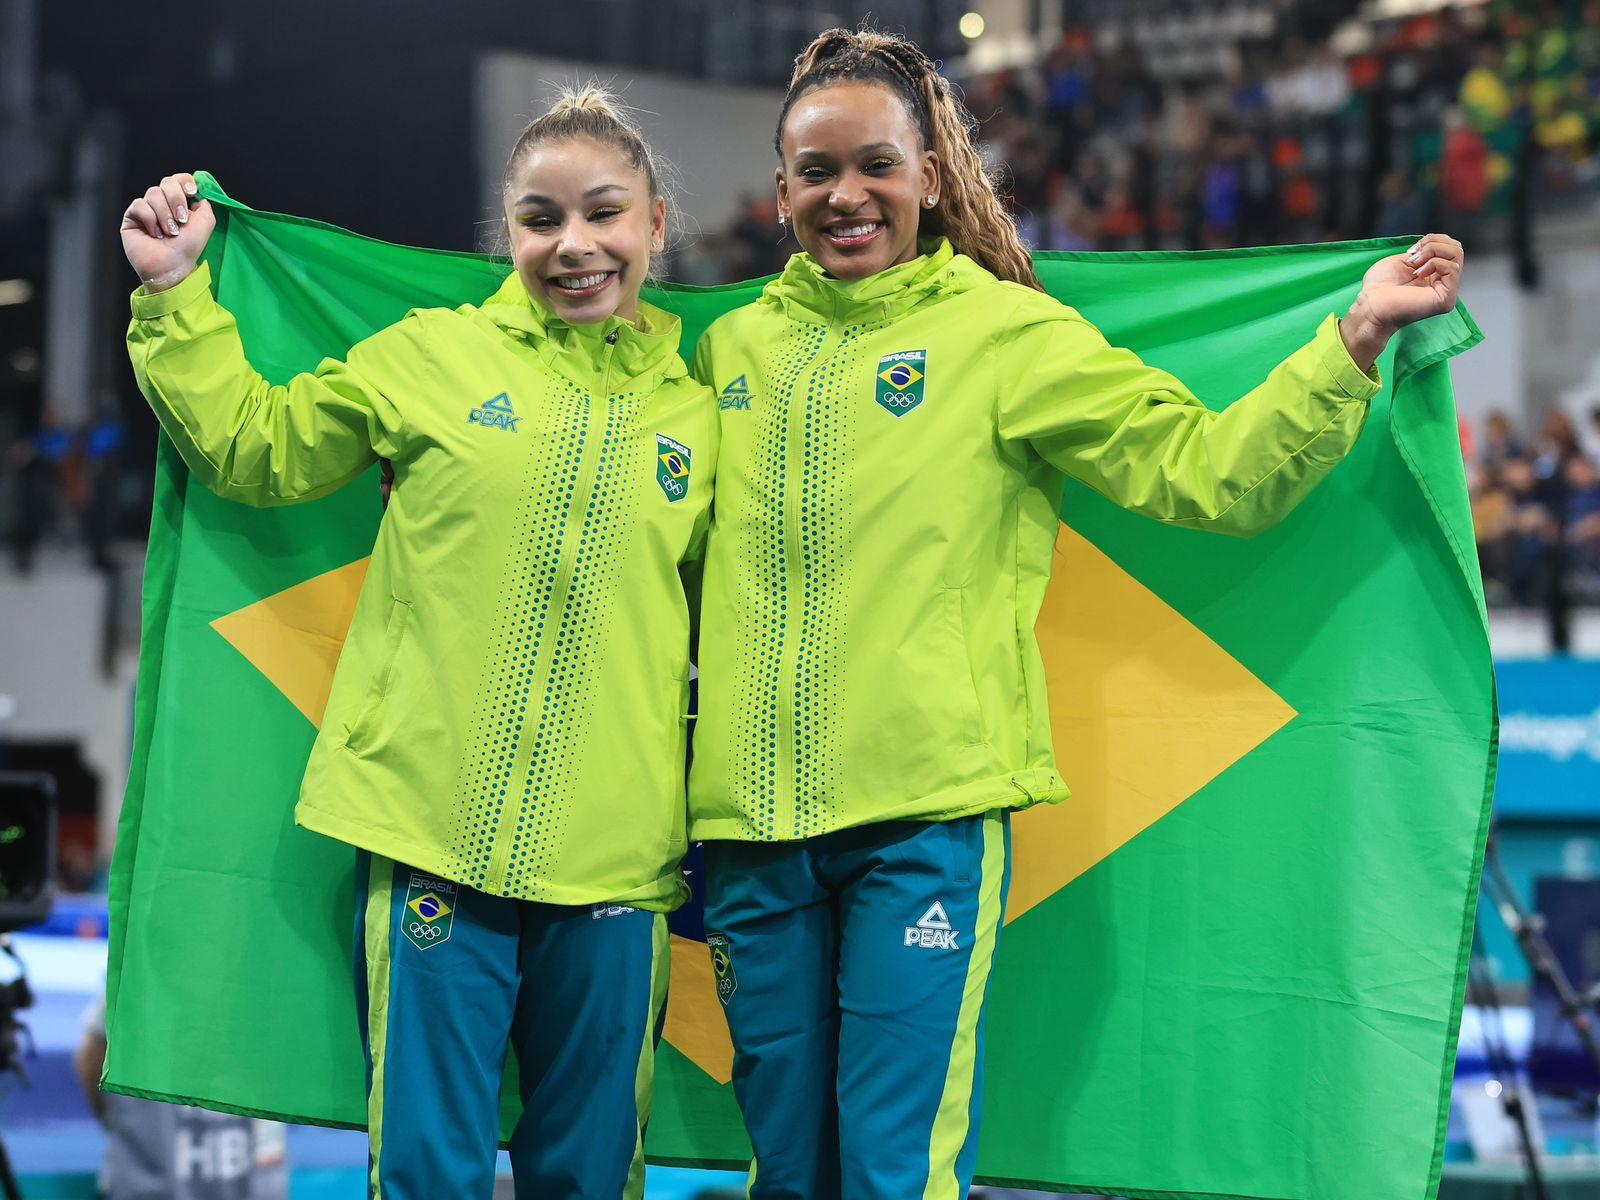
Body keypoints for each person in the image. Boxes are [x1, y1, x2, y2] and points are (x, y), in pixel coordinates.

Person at [686, 27, 1466, 1200]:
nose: (846, 196)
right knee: (787, 1170)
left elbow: (1205, 473)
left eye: (876, 166)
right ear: (782, 186)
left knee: (895, 1171)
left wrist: (1348, 342)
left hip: (922, 826)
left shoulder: (1006, 336)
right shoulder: (726, 349)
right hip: (747, 832)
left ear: (930, 176)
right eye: (816, 171)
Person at [119, 89, 715, 1198]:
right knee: (428, 1173)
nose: (572, 245)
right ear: (508, 232)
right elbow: (260, 453)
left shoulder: (702, 412)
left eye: (603, 213)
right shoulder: (429, 357)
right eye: (540, 219)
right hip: (433, 836)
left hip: (620, 865)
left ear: (655, 225)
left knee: (590, 1176)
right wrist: (175, 291)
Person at [76, 991, 290, 1200]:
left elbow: (93, 1055)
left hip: (244, 1180)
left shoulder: (270, 980)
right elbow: (94, 1056)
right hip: (151, 1183)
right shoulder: (143, 974)